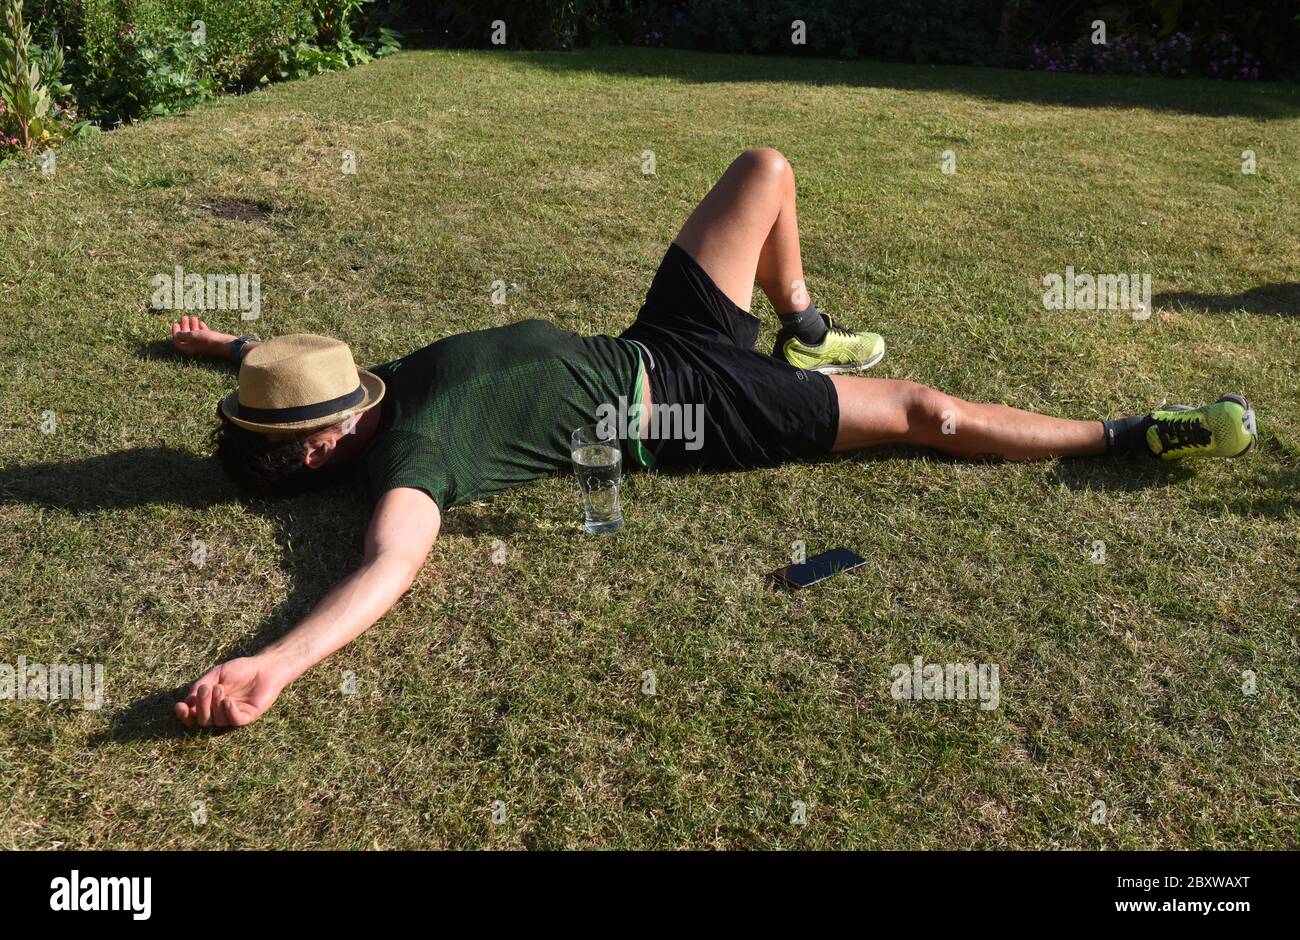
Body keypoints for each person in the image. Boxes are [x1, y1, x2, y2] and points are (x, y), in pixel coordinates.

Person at [169, 148, 1257, 729]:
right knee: (932, 416)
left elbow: (298, 372)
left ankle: (809, 333)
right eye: (313, 412)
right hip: (693, 414)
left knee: (765, 168)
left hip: (664, 335)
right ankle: (1121, 434)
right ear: (320, 452)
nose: (337, 392)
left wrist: (227, 345)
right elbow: (387, 567)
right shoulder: (414, 460)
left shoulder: (372, 387)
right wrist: (277, 661)